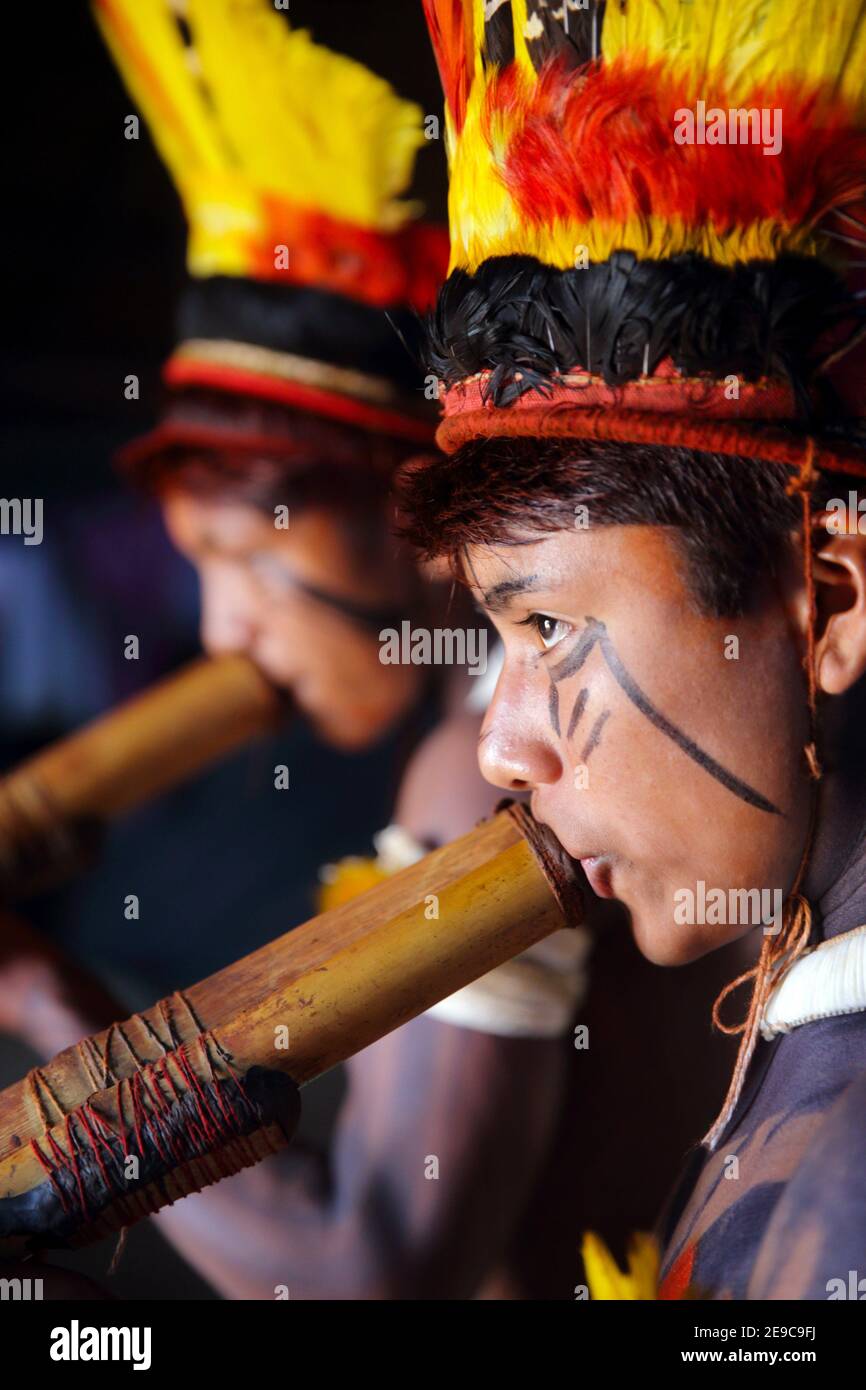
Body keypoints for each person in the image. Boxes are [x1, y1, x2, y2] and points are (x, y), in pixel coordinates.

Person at [0, 0, 589, 1300]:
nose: (223, 633)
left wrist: (40, 995)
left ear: (412, 517)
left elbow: (359, 1274)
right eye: (198, 563)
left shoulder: (486, 773)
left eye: (249, 561)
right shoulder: (525, 703)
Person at [399, 0, 866, 1299]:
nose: (501, 740)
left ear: (822, 594)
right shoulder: (794, 1055)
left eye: (545, 625)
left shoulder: (842, 1200)